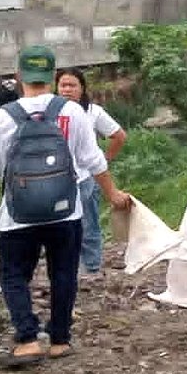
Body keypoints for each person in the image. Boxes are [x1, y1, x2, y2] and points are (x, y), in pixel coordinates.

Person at [0, 46, 130, 367]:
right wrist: (113, 192)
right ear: (51, 76)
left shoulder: (4, 116)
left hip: (17, 217)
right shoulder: (73, 111)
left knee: (14, 275)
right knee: (63, 274)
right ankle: (60, 339)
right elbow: (93, 160)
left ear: (19, 77)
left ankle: (28, 337)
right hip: (66, 211)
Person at [56, 68, 127, 278]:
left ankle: (92, 268)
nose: (67, 90)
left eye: (72, 85)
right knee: (62, 226)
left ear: (82, 88)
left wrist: (104, 161)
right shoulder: (50, 111)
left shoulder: (92, 112)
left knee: (88, 224)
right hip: (57, 178)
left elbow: (119, 135)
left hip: (85, 178)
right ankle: (68, 268)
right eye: (63, 85)